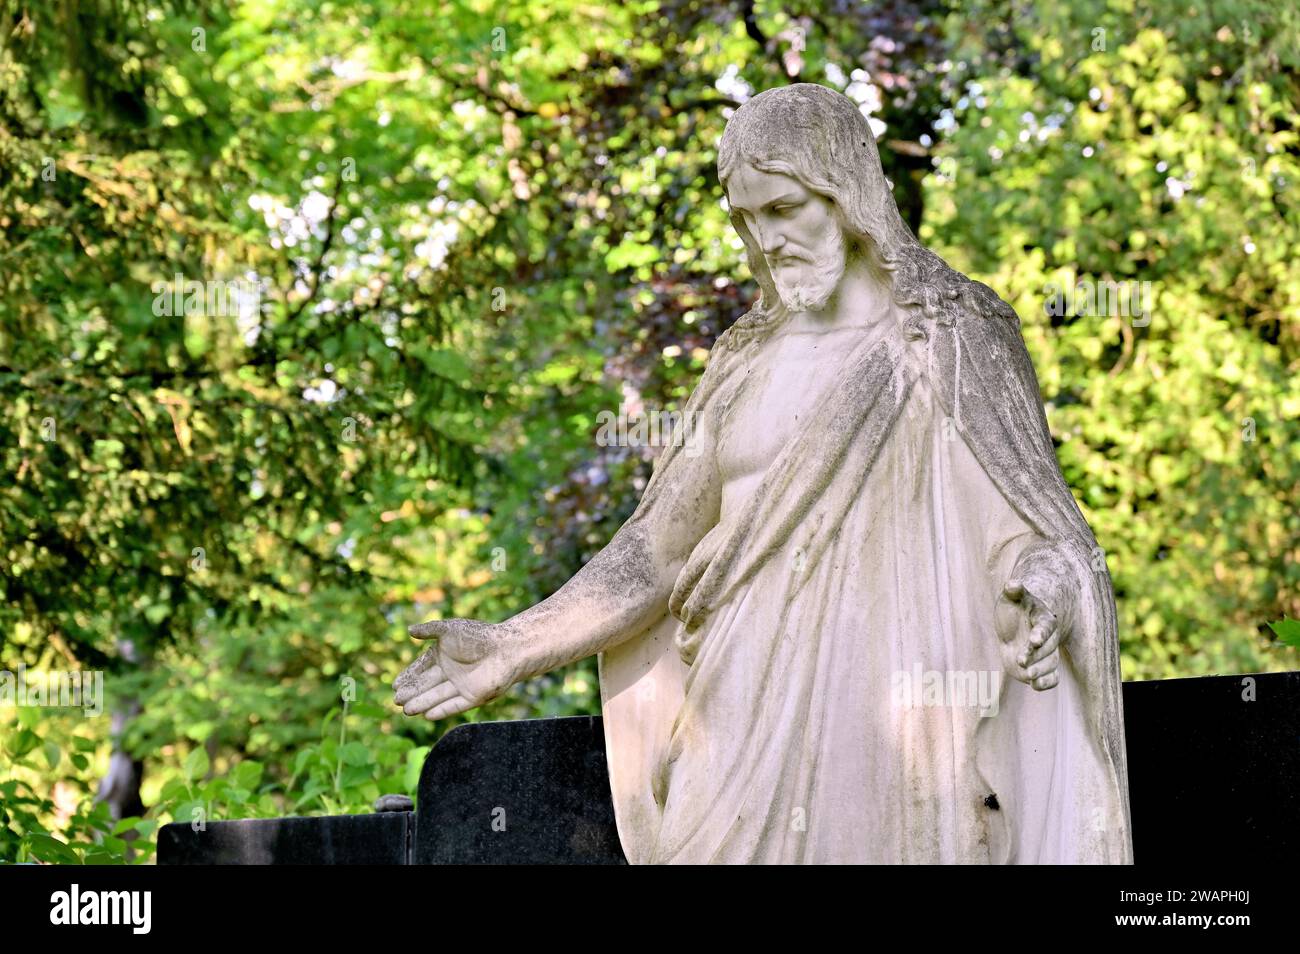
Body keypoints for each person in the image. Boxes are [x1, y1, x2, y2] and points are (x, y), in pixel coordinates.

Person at [393, 83, 1133, 864]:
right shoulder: (742, 362)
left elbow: (1032, 530)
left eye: (783, 209)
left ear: (846, 194)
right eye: (746, 218)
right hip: (733, 722)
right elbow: (657, 551)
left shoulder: (949, 335)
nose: (765, 238)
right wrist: (514, 644)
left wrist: (1049, 587)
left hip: (896, 728)